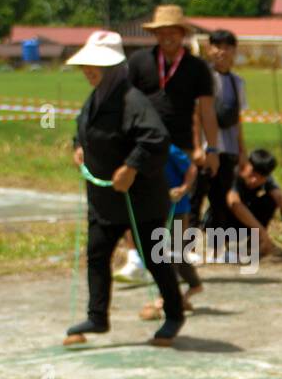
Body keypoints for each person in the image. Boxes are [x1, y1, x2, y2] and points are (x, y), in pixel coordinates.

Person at [64, 31, 186, 347]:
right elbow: (84, 128)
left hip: (140, 200)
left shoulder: (132, 101)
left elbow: (156, 139)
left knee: (154, 258)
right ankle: (97, 316)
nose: (88, 71)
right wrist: (79, 147)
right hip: (104, 201)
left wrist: (131, 166)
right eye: (86, 65)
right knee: (96, 254)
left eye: (95, 66)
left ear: (113, 67)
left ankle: (173, 315)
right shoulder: (96, 97)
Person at [127, 6, 219, 178]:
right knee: (146, 201)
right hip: (144, 144)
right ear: (154, 33)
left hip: (184, 147)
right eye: (161, 32)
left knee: (181, 200)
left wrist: (212, 149)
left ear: (183, 33)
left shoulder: (198, 67)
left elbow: (207, 111)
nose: (166, 37)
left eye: (172, 32)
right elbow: (126, 103)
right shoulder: (138, 61)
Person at [192, 29, 245, 242]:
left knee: (221, 200)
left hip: (228, 149)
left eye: (227, 47)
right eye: (217, 46)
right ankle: (186, 247)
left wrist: (242, 151)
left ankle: (219, 246)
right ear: (209, 48)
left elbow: (237, 118)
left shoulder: (238, 82)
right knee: (195, 198)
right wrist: (196, 147)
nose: (221, 52)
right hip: (205, 149)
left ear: (234, 51)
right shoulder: (202, 78)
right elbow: (195, 115)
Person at [138, 141, 200, 321]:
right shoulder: (138, 150)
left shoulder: (170, 150)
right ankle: (190, 287)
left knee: (173, 253)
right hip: (154, 208)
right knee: (162, 252)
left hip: (177, 208)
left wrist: (183, 189)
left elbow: (191, 170)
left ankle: (164, 296)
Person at [224, 149, 282, 258]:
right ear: (246, 165)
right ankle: (228, 243)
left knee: (269, 200)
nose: (255, 180)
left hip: (248, 223)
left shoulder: (267, 179)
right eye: (252, 174)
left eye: (261, 177)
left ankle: (253, 242)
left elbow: (279, 197)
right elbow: (235, 204)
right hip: (224, 222)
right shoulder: (232, 174)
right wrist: (261, 231)